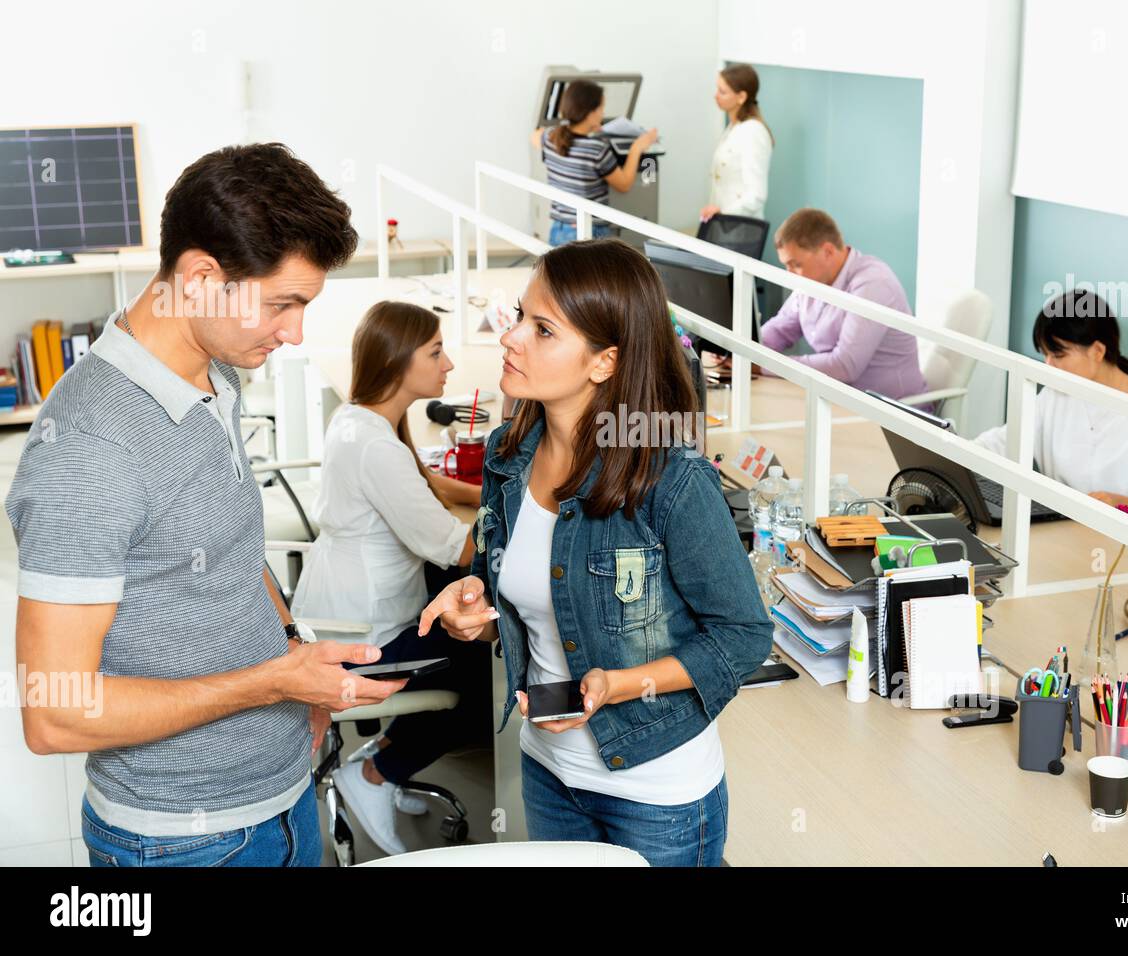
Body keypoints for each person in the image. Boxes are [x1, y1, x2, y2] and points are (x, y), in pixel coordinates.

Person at [6, 143, 405, 867]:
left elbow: (231, 547)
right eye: (282, 305)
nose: (295, 332)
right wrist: (271, 683)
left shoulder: (216, 370)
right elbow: (55, 715)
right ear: (199, 279)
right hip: (185, 841)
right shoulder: (88, 448)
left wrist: (292, 653)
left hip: (285, 794)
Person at [419, 238, 771, 866]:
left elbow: (744, 637)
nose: (511, 338)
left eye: (543, 329)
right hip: (549, 772)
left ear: (604, 362)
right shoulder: (507, 454)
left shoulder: (671, 479)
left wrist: (618, 685)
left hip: (656, 791)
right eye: (520, 316)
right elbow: (504, 595)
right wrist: (472, 608)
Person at [289, 300, 491, 856]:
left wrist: (495, 493)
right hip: (365, 635)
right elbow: (456, 547)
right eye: (436, 352)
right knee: (486, 671)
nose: (449, 364)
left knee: (462, 633)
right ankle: (378, 773)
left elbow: (431, 484)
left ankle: (382, 759)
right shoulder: (379, 447)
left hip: (337, 606)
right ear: (400, 362)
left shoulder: (360, 418)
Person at [974, 290, 1128, 515]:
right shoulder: (1054, 395)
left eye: (1058, 355)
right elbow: (1003, 441)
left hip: (1118, 531)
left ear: (1097, 351)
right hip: (1058, 525)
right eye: (1045, 354)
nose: (1048, 365)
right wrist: (953, 448)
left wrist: (1123, 502)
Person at [759, 208, 928, 400]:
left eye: (796, 264)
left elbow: (845, 366)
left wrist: (765, 365)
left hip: (890, 411)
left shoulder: (873, 283)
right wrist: (742, 350)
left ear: (828, 251)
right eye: (786, 265)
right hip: (843, 401)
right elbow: (779, 330)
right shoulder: (811, 282)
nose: (789, 273)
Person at [531, 79, 658, 246]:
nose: (602, 114)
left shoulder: (550, 138)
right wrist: (637, 148)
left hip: (558, 229)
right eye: (601, 108)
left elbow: (535, 135)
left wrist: (587, 128)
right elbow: (624, 184)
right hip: (590, 232)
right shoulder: (596, 149)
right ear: (590, 113)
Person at [700, 63, 774, 222]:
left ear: (741, 97)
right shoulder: (733, 127)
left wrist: (723, 212)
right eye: (717, 89)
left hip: (740, 225)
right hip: (723, 223)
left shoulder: (753, 132)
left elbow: (756, 195)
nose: (716, 96)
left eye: (722, 92)